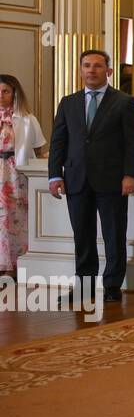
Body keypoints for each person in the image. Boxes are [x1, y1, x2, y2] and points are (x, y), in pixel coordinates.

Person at [47, 50, 134, 303]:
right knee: (83, 236)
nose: (91, 70)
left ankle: (112, 285)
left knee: (114, 234)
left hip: (112, 180)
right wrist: (54, 175)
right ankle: (84, 287)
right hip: (76, 179)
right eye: (87, 66)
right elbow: (58, 141)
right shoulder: (68, 102)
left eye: (98, 66)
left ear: (108, 71)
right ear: (80, 70)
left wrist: (130, 175)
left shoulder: (124, 102)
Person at [0, 74, 45, 276]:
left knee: (15, 219)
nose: (1, 95)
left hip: (15, 173)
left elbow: (41, 150)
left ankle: (15, 265)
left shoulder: (27, 119)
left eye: (5, 91)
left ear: (14, 93)